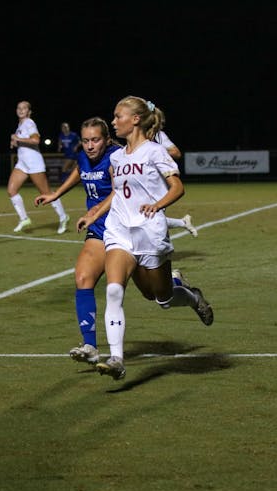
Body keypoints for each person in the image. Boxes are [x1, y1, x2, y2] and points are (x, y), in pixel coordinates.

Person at [76, 96, 214, 381]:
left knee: (159, 297)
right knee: (114, 290)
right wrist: (95, 213)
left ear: (135, 119)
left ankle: (191, 297)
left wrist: (158, 205)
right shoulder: (116, 157)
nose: (113, 122)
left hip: (149, 232)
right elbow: (116, 193)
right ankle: (116, 359)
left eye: (118, 116)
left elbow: (178, 187)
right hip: (120, 231)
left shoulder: (154, 152)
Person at [34, 116, 121, 364]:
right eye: (85, 141)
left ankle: (181, 288)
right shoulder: (84, 156)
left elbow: (119, 190)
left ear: (106, 139)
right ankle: (90, 346)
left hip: (124, 229)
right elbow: (79, 171)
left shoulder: (116, 157)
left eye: (95, 140)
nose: (90, 145)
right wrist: (56, 193)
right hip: (99, 230)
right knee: (83, 278)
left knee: (157, 293)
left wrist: (93, 213)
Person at [7, 101, 70, 234]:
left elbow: (36, 140)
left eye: (24, 108)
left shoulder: (29, 123)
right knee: (11, 190)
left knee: (46, 194)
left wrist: (18, 139)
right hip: (23, 163)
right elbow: (21, 141)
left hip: (34, 163)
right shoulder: (20, 125)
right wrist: (15, 142)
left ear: (29, 111)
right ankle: (24, 218)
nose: (21, 110)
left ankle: (63, 217)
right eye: (19, 108)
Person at [152, 111, 198, 237]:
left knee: (151, 216)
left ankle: (164, 251)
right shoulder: (137, 138)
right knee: (149, 217)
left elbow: (176, 153)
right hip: (145, 181)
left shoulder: (159, 136)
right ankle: (182, 223)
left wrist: (155, 154)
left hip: (157, 183)